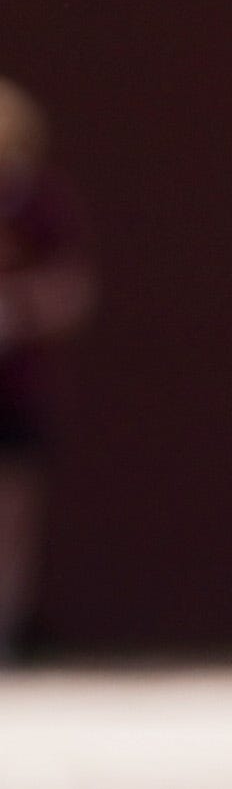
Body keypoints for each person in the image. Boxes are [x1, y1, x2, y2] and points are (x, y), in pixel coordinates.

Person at [0, 79, 99, 663]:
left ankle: (6, 628)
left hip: (14, 386)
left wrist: (18, 309)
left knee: (12, 509)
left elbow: (73, 291)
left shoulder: (37, 203)